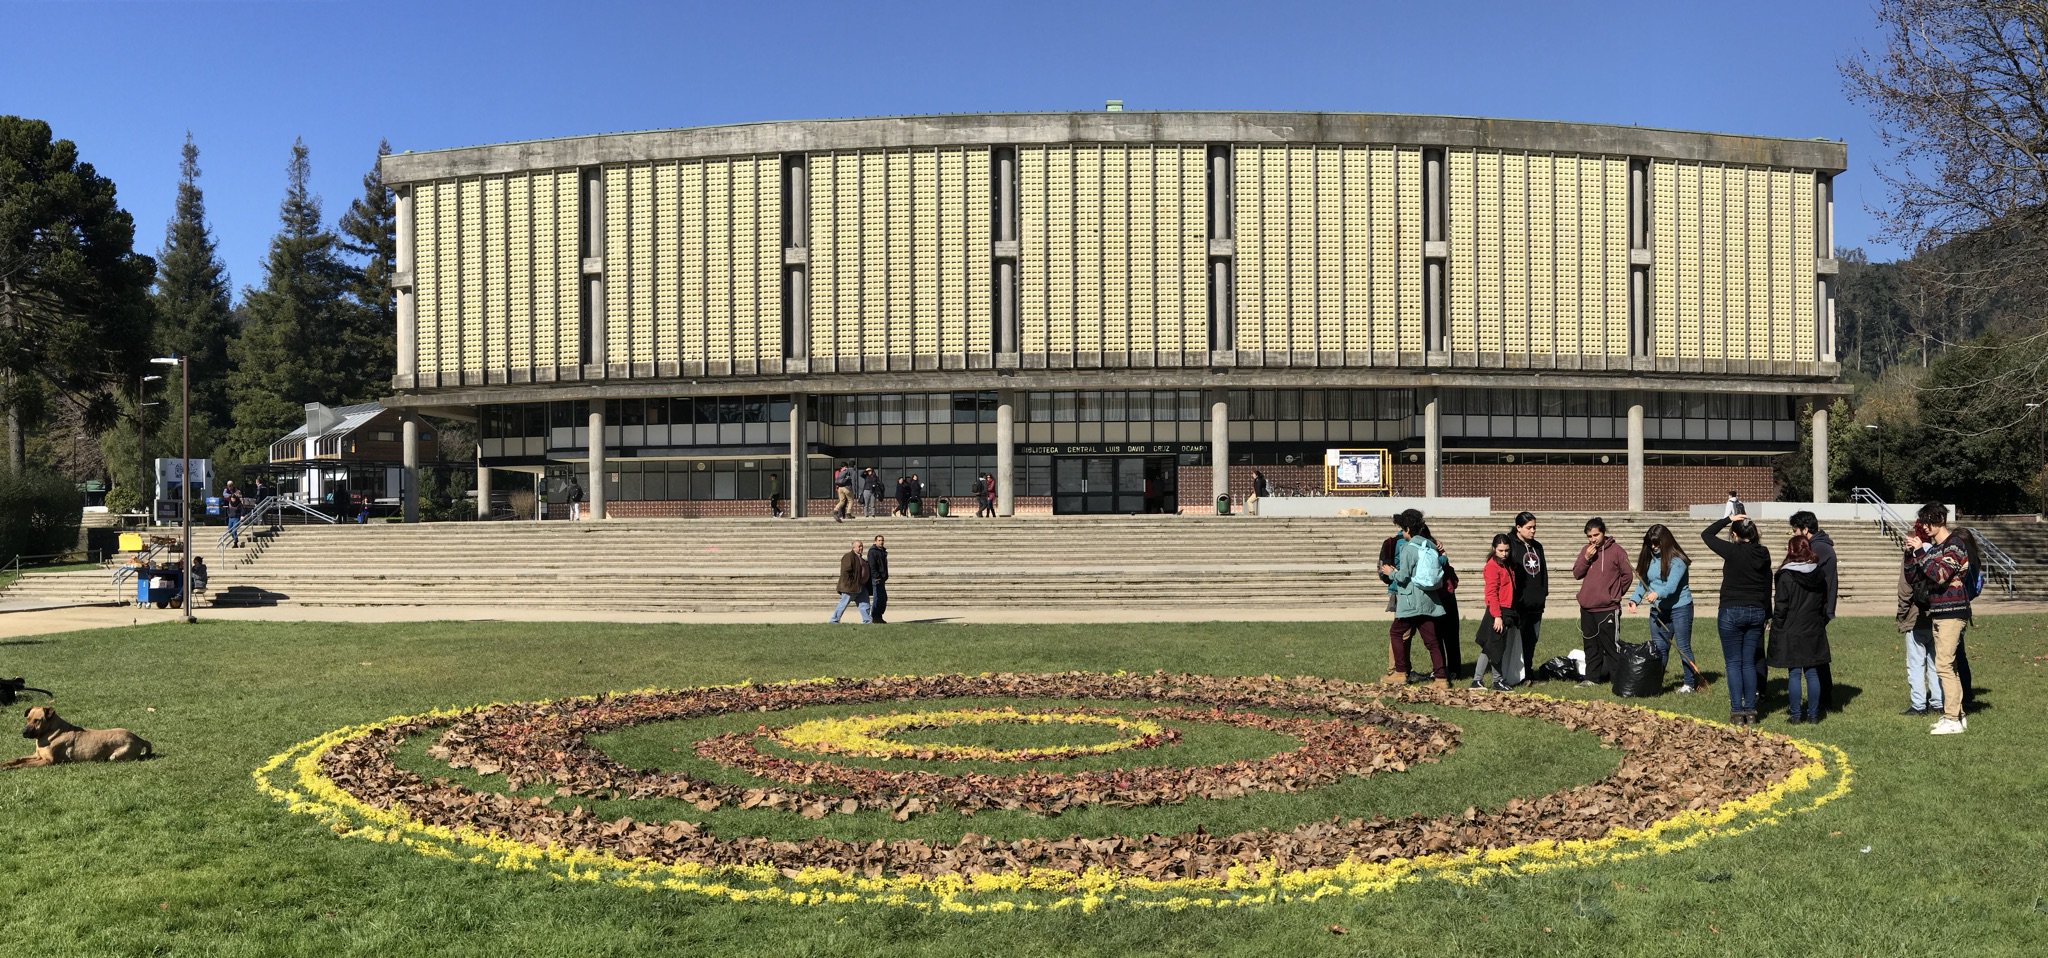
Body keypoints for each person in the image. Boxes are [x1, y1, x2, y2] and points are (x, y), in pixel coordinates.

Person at [1905, 503, 1973, 735]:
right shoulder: (1934, 548)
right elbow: (1915, 576)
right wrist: (1910, 553)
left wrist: (1922, 553)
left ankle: (1951, 718)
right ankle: (1957, 715)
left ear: (1939, 520)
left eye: (1927, 522)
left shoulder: (1955, 544)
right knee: (1949, 665)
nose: (1924, 526)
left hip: (1953, 612)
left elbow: (1940, 575)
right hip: (1940, 611)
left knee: (1943, 665)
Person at [1702, 512, 1772, 725]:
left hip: (1731, 609)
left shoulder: (1731, 551)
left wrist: (1727, 520)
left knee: (1733, 663)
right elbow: (1767, 583)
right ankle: (1750, 710)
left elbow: (1707, 535)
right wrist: (1767, 613)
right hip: (1756, 610)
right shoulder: (1763, 553)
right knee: (1748, 662)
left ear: (1734, 535)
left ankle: (1736, 711)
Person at [1378, 509, 1449, 690]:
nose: (1402, 532)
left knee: (1395, 633)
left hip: (1410, 601)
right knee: (1432, 641)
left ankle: (1400, 672)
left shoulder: (1409, 548)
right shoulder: (1430, 546)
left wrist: (1390, 572)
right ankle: (1441, 678)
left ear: (1408, 528)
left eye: (1403, 529)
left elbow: (1402, 576)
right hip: (1429, 600)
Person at [1625, 523, 1699, 693]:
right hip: (1658, 611)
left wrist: (1657, 594)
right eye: (1650, 543)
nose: (1653, 547)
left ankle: (1689, 683)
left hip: (1680, 607)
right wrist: (1634, 600)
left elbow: (1672, 586)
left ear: (1665, 542)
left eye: (1657, 543)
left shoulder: (1678, 561)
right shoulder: (1650, 558)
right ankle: (1655, 683)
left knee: (1683, 646)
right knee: (1659, 649)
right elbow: (1643, 582)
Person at [1769, 535, 1832, 725]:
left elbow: (1781, 605)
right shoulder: (1818, 574)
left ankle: (1796, 715)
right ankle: (1813, 715)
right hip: (1813, 628)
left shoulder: (1786, 575)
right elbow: (1824, 602)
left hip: (1792, 628)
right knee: (1812, 672)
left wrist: (1776, 625)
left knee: (1794, 673)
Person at [1570, 517, 1633, 688]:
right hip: (1587, 608)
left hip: (1607, 608)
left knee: (1611, 646)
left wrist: (1615, 594)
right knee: (1591, 646)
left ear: (1603, 533)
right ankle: (1592, 678)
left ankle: (1617, 680)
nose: (1593, 539)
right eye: (1589, 536)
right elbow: (1576, 573)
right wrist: (1586, 558)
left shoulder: (1617, 551)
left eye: (1596, 535)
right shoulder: (1586, 550)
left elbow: (1627, 575)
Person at [1789, 511, 1839, 712]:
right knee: (1816, 656)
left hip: (1817, 609)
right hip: (1818, 608)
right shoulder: (1821, 546)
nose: (1793, 535)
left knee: (1815, 658)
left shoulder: (1819, 548)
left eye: (1795, 531)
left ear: (1805, 530)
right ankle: (1823, 698)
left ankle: (1823, 699)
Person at [1896, 526, 1942, 716]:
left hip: (1916, 615)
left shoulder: (1911, 557)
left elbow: (1905, 589)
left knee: (1916, 662)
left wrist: (1902, 615)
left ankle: (1918, 704)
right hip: (1938, 614)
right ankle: (1938, 701)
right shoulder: (1937, 553)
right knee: (1935, 661)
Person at [1472, 533, 1520, 692]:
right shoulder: (1492, 566)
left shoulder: (1506, 564)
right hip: (1498, 611)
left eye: (1506, 550)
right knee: (1493, 647)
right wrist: (1497, 616)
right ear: (1494, 549)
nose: (1504, 554)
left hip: (1506, 610)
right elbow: (1491, 593)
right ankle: (1484, 680)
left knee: (1493, 647)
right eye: (1500, 550)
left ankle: (1488, 680)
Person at [1505, 511, 1548, 682]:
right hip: (1518, 604)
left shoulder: (1537, 547)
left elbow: (1543, 572)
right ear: (1518, 528)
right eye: (1529, 527)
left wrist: (1543, 594)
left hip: (1536, 603)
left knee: (1531, 640)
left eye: (1534, 527)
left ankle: (1528, 672)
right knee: (1517, 641)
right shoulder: (1511, 546)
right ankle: (1514, 674)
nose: (1533, 531)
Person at [829, 538, 872, 624]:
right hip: (850, 586)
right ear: (853, 548)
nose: (861, 548)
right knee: (843, 604)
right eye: (859, 546)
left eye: (862, 546)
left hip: (861, 586)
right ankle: (834, 620)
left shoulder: (860, 558)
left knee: (865, 604)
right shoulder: (848, 556)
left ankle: (867, 621)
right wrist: (851, 583)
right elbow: (846, 571)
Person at [866, 534, 890, 623]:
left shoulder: (883, 551)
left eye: (882, 540)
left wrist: (885, 576)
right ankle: (875, 617)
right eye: (879, 540)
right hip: (876, 579)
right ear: (875, 541)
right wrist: (877, 577)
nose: (881, 542)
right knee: (877, 598)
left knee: (883, 598)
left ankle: (879, 616)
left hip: (882, 578)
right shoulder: (872, 551)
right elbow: (872, 566)